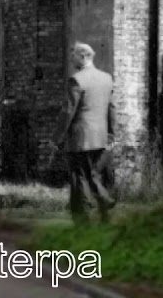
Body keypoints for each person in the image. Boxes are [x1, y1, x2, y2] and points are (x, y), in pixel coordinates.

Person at [53, 42, 117, 223]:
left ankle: (85, 216)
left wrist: (57, 137)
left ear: (83, 56)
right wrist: (112, 133)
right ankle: (104, 211)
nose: (71, 58)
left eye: (73, 55)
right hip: (101, 136)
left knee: (80, 175)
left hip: (80, 138)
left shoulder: (77, 80)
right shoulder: (106, 78)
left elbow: (67, 111)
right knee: (94, 174)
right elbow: (112, 108)